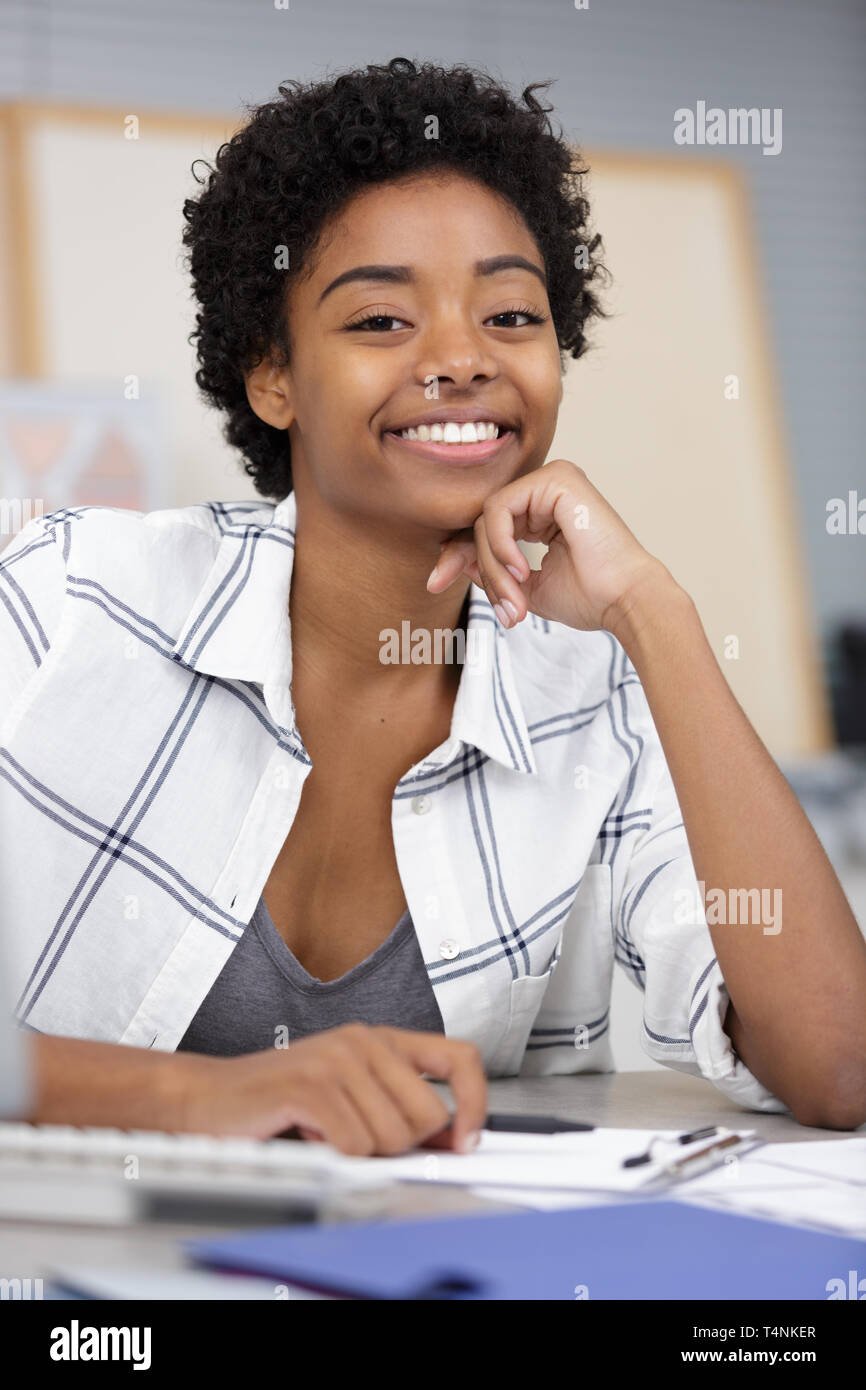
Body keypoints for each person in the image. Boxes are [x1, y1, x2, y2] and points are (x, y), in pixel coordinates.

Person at [1, 58, 864, 1154]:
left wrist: (655, 611)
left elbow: (838, 1064)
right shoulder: (64, 601)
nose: (460, 359)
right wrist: (199, 1101)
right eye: (378, 322)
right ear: (272, 375)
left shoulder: (597, 696)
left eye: (509, 313)